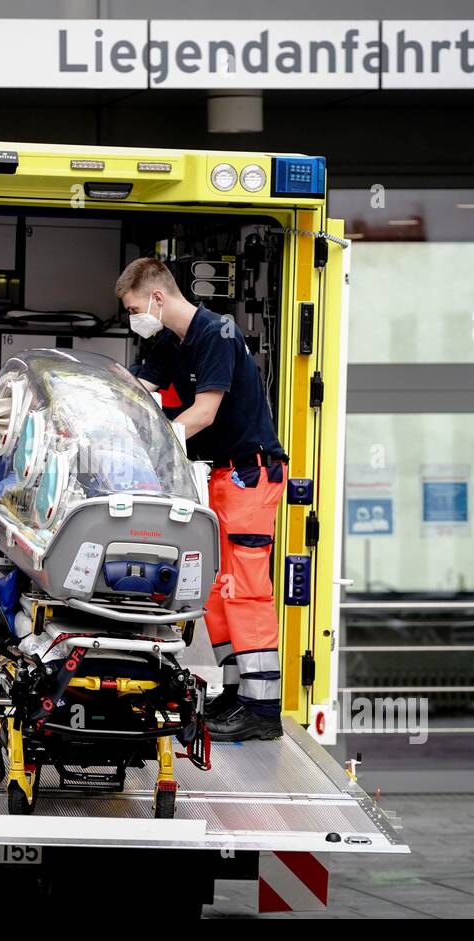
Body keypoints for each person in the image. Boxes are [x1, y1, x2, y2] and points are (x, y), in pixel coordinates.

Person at [116, 258, 288, 742]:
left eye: (134, 308)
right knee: (216, 590)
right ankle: (237, 692)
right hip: (221, 477)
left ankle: (263, 708)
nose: (134, 317)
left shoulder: (218, 334)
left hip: (250, 475)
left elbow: (205, 413)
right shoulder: (171, 342)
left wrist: (157, 440)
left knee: (246, 588)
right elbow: (139, 389)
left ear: (157, 297)